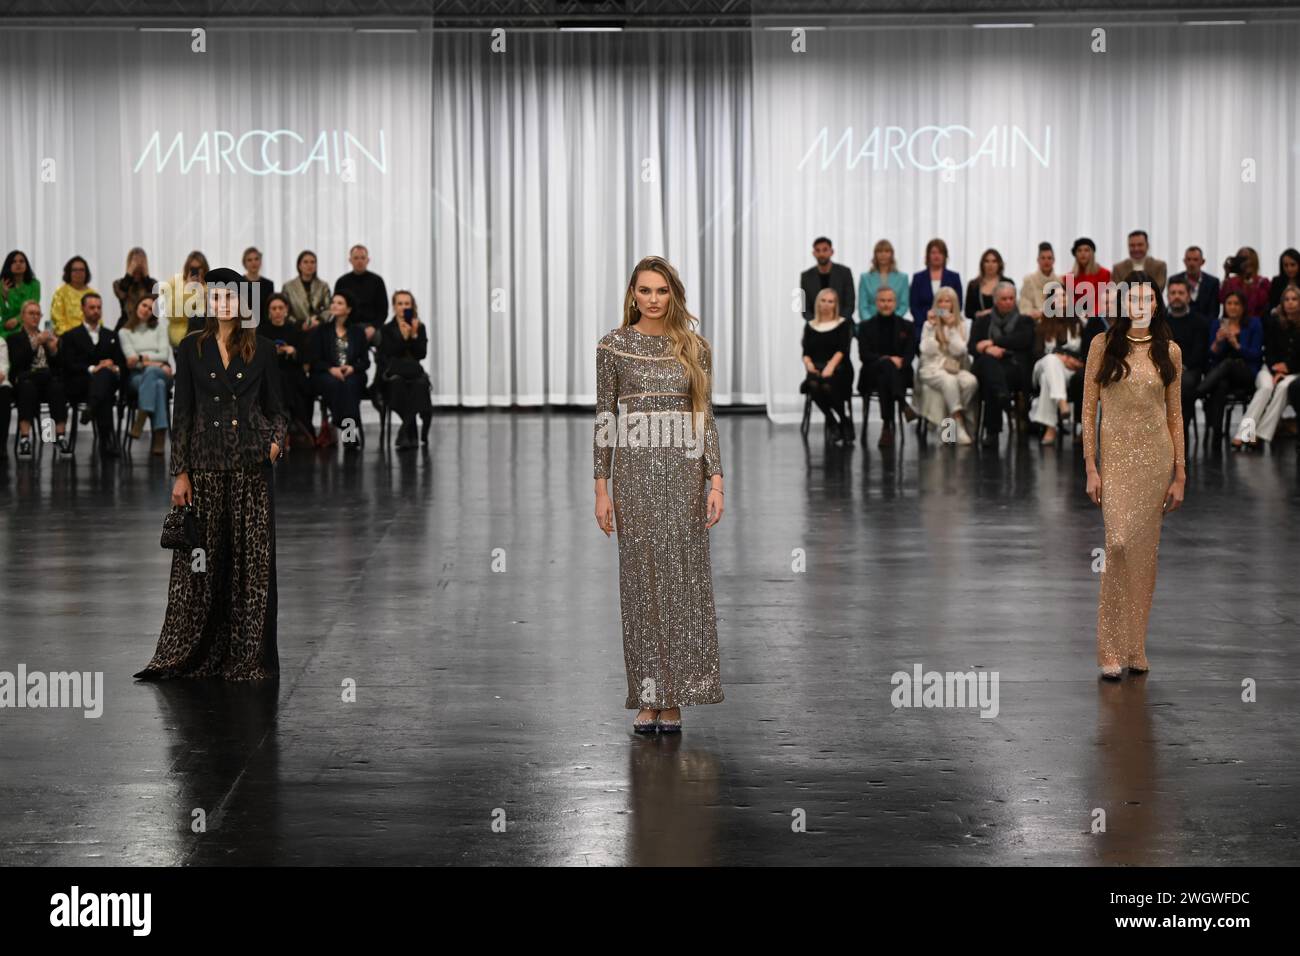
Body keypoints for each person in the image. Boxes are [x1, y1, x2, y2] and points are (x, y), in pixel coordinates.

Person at [135, 268, 286, 682]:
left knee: (250, 567)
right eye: (217, 296)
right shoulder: (190, 349)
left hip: (251, 469)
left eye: (231, 296)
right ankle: (194, 650)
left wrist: (273, 446)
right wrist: (179, 473)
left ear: (242, 303)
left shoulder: (264, 348)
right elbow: (181, 412)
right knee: (202, 565)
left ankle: (246, 655)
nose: (224, 303)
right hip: (204, 467)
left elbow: (277, 410)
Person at [593, 255, 724, 734]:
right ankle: (649, 696)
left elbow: (704, 416)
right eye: (645, 290)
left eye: (661, 291)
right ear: (633, 294)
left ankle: (677, 697)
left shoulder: (693, 347)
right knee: (642, 588)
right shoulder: (613, 346)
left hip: (684, 475)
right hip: (633, 476)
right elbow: (605, 419)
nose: (653, 299)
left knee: (684, 586)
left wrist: (716, 480)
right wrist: (601, 488)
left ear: (673, 295)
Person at [1081, 273, 1184, 679]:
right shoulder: (1102, 346)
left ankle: (1135, 647)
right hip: (1117, 462)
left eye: (1146, 298)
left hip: (1156, 460)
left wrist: (1180, 474)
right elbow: (1089, 412)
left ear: (1156, 305)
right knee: (1118, 544)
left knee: (1143, 556)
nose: (1139, 304)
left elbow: (1175, 417)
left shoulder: (1169, 352)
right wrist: (1091, 467)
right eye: (1132, 298)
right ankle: (1109, 648)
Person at [1233, 284, 1300, 451]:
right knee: (1265, 387)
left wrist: (1287, 369)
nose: (1290, 303)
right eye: (1287, 299)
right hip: (1270, 368)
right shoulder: (1275, 322)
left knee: (1284, 387)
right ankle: (1245, 434)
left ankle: (1260, 434)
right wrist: (1276, 370)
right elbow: (1268, 351)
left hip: (1294, 371)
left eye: (1294, 299)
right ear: (1282, 302)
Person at [969, 281, 1034, 447]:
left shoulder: (1024, 321)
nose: (1008, 302)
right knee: (989, 366)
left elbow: (1022, 341)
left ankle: (992, 432)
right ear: (996, 300)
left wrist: (993, 344)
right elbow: (972, 346)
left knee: (993, 380)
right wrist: (984, 350)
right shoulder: (982, 321)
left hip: (1013, 367)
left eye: (1011, 298)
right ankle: (1002, 397)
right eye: (1004, 299)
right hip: (987, 366)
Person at [60, 292, 123, 459]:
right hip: (81, 384)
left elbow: (121, 363)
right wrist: (93, 368)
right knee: (105, 391)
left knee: (105, 376)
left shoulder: (111, 335)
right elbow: (68, 364)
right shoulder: (70, 336)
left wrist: (113, 366)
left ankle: (92, 407)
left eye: (99, 307)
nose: (96, 311)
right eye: (92, 307)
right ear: (82, 309)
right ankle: (107, 441)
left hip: (106, 382)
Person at [1196, 290, 1263, 444]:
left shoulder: (1253, 324)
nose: (1232, 307)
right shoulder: (1218, 324)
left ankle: (1199, 391)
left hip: (1246, 372)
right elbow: (1211, 356)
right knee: (1220, 385)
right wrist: (1217, 342)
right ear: (1224, 306)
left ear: (1243, 307)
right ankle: (1217, 435)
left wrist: (1237, 346)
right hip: (1223, 376)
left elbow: (1256, 355)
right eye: (1229, 303)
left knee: (1228, 363)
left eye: (1236, 304)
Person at [8, 300, 70, 459]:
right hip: (26, 379)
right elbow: (17, 364)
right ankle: (24, 439)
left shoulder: (48, 336)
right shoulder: (15, 338)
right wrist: (35, 343)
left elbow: (59, 366)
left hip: (46, 379)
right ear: (23, 316)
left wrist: (54, 350)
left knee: (57, 386)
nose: (35, 317)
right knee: (27, 387)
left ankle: (60, 436)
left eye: (38, 314)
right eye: (31, 313)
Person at [857, 286, 916, 447]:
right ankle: (902, 403)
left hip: (901, 372)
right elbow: (864, 356)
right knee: (885, 369)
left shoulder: (907, 326)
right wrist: (888, 359)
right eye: (882, 300)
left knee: (886, 377)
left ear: (895, 303)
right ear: (876, 303)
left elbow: (910, 355)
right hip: (871, 373)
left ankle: (886, 427)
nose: (886, 304)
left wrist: (895, 362)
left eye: (889, 300)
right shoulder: (865, 326)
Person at [916, 286, 975, 445]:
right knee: (949, 382)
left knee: (971, 382)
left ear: (953, 304)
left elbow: (960, 351)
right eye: (940, 301)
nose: (943, 305)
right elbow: (926, 350)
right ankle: (958, 421)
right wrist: (932, 327)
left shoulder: (962, 325)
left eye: (947, 301)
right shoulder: (928, 325)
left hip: (953, 367)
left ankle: (950, 424)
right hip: (932, 368)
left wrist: (951, 328)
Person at [310, 292, 370, 448]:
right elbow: (314, 360)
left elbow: (365, 361)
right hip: (326, 374)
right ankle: (348, 431)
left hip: (352, 374)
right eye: (333, 302)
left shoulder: (357, 332)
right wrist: (331, 368)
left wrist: (352, 367)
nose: (334, 305)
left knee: (349, 384)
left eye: (340, 303)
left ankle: (341, 424)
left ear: (348, 309)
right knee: (336, 384)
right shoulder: (322, 330)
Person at [256, 293, 315, 446]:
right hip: (268, 374)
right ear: (269, 311)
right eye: (273, 308)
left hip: (292, 372)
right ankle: (285, 425)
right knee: (279, 381)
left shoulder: (295, 330)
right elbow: (255, 357)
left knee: (291, 382)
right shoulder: (261, 331)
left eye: (280, 308)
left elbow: (305, 356)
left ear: (286, 310)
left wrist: (293, 351)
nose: (277, 311)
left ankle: (288, 426)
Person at [119, 294, 174, 456]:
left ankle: (141, 417)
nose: (146, 310)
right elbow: (130, 361)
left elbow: (164, 354)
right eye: (144, 305)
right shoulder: (124, 332)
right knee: (158, 385)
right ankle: (159, 437)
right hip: (137, 377)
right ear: (137, 305)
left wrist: (142, 358)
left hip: (161, 373)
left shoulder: (160, 328)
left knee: (154, 375)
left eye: (151, 309)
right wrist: (158, 364)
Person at [378, 290, 434, 449]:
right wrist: (404, 338)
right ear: (394, 307)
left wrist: (414, 335)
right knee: (398, 385)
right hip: (394, 372)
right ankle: (410, 430)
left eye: (407, 304)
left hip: (413, 371)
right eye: (400, 304)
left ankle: (405, 430)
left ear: (412, 306)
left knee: (420, 385)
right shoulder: (386, 329)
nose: (403, 307)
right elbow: (390, 353)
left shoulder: (419, 327)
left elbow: (421, 354)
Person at [1030, 282, 1084, 445]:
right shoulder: (1041, 325)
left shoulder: (1079, 323)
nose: (1061, 300)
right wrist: (1059, 356)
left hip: (1068, 371)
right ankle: (1062, 402)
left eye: (1064, 296)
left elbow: (1083, 352)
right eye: (1057, 297)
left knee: (1049, 378)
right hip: (1041, 366)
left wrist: (1072, 361)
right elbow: (1037, 354)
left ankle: (1050, 428)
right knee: (1051, 361)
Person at [801, 287, 854, 444]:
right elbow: (806, 352)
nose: (826, 304)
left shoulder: (843, 324)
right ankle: (835, 421)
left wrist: (830, 366)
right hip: (816, 368)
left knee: (826, 385)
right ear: (818, 303)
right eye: (823, 301)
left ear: (835, 305)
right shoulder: (810, 325)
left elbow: (842, 350)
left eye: (830, 301)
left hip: (839, 368)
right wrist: (808, 364)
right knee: (813, 383)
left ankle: (841, 421)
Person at [1164, 277, 1209, 446]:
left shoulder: (1200, 322)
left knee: (1184, 385)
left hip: (1190, 369)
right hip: (1164, 368)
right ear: (1167, 296)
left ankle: (1179, 433)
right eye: (1173, 293)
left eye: (1181, 293)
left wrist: (1180, 366)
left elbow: (1199, 353)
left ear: (1188, 296)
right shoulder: (1159, 321)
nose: (1176, 296)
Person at [909, 238, 962, 344]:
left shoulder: (954, 277)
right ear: (928, 255)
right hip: (923, 325)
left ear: (945, 256)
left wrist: (938, 315)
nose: (936, 256)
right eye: (933, 252)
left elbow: (958, 304)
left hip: (949, 326)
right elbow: (914, 305)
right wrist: (928, 320)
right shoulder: (918, 278)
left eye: (940, 252)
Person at [333, 245, 386, 339]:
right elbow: (337, 308)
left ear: (368, 260)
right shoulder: (342, 281)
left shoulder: (377, 281)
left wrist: (373, 327)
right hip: (349, 325)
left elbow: (383, 311)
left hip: (371, 325)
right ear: (350, 260)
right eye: (356, 258)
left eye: (362, 258)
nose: (359, 261)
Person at [800, 236, 855, 321]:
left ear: (832, 252)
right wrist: (816, 324)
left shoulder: (845, 273)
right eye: (818, 250)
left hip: (842, 324)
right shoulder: (806, 276)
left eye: (825, 250)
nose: (821, 254)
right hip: (816, 326)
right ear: (813, 253)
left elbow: (850, 304)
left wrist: (838, 322)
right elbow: (805, 308)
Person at [162, 251, 209, 347]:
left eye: (199, 268)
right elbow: (172, 314)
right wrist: (188, 288)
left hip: (206, 336)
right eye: (192, 268)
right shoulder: (175, 282)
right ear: (187, 268)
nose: (196, 271)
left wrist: (201, 290)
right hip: (181, 335)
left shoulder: (210, 285)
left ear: (204, 268)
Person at [856, 239, 908, 324]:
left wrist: (892, 321)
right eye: (879, 251)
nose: (883, 254)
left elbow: (903, 305)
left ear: (892, 254)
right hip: (870, 324)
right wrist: (871, 323)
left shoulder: (903, 278)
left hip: (895, 324)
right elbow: (863, 307)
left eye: (887, 251)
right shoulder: (865, 278)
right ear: (875, 255)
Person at [1168, 246, 1220, 324]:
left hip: (1205, 328)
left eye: (1195, 260)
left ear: (1202, 262)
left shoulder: (1213, 282)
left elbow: (1214, 311)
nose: (1191, 263)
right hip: (1179, 324)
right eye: (1188, 259)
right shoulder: (1174, 280)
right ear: (1184, 261)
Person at [282, 250, 331, 330]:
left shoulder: (323, 286)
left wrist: (319, 321)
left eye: (312, 262)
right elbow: (285, 311)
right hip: (296, 329)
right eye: (305, 262)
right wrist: (300, 324)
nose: (309, 265)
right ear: (299, 266)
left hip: (318, 328)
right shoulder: (288, 287)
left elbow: (329, 308)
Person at [50, 256, 98, 336]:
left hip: (91, 336)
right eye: (75, 270)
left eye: (82, 270)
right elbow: (57, 321)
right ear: (69, 273)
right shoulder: (61, 293)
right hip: (68, 337)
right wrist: (76, 335)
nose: (78, 273)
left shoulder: (93, 294)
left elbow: (97, 318)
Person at [111, 247, 157, 331]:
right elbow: (122, 294)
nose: (138, 263)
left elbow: (154, 297)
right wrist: (130, 270)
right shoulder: (119, 283)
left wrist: (145, 273)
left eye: (141, 260)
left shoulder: (152, 283)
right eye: (135, 260)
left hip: (146, 325)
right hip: (126, 324)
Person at [1065, 237, 1111, 320]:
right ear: (1075, 254)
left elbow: (1101, 298)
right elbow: (1071, 301)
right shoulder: (1069, 277)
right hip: (1077, 318)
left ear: (1092, 253)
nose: (1083, 253)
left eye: (1086, 250)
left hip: (1098, 316)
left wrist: (1091, 314)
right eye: (1079, 250)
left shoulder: (1104, 273)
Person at [1219, 246, 1270, 318]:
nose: (1243, 262)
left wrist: (1249, 281)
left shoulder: (1262, 282)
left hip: (1253, 321)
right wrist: (1226, 274)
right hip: (1232, 321)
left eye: (1246, 259)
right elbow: (1222, 299)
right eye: (1240, 258)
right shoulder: (1231, 281)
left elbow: (1260, 303)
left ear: (1253, 261)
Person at [0, 250, 40, 339]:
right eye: (14, 262)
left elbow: (33, 308)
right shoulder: (2, 285)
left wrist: (17, 320)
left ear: (26, 265)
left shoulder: (34, 285)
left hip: (27, 326)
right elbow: (4, 314)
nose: (18, 264)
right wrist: (5, 297)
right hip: (6, 327)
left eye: (21, 261)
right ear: (8, 265)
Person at [1019, 242, 1061, 321]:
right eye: (1043, 258)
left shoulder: (1059, 281)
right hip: (1033, 323)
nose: (1046, 261)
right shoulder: (1029, 280)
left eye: (1049, 258)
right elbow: (1024, 308)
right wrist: (1037, 314)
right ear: (1038, 260)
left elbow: (1062, 308)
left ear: (1053, 260)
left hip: (1055, 324)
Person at [964, 248, 1008, 323]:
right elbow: (968, 312)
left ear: (999, 264)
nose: (990, 265)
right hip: (979, 327)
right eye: (987, 261)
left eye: (994, 261)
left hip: (1002, 327)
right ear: (982, 264)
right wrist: (979, 314)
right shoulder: (973, 285)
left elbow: (1013, 308)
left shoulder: (1007, 283)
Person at [241, 246, 275, 325]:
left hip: (264, 327)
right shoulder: (239, 283)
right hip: (243, 327)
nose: (254, 262)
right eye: (249, 260)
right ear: (244, 263)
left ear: (260, 262)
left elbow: (269, 309)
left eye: (256, 259)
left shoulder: (269, 284)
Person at [1266, 248, 1300, 314]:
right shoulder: (1277, 282)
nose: (1289, 269)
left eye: (1293, 265)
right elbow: (1271, 306)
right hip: (1280, 318)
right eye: (1286, 265)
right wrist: (1275, 310)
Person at [0, 333, 10, 459]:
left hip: (0, 383)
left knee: (4, 392)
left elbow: (4, 365)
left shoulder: (1, 341)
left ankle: (1, 443)